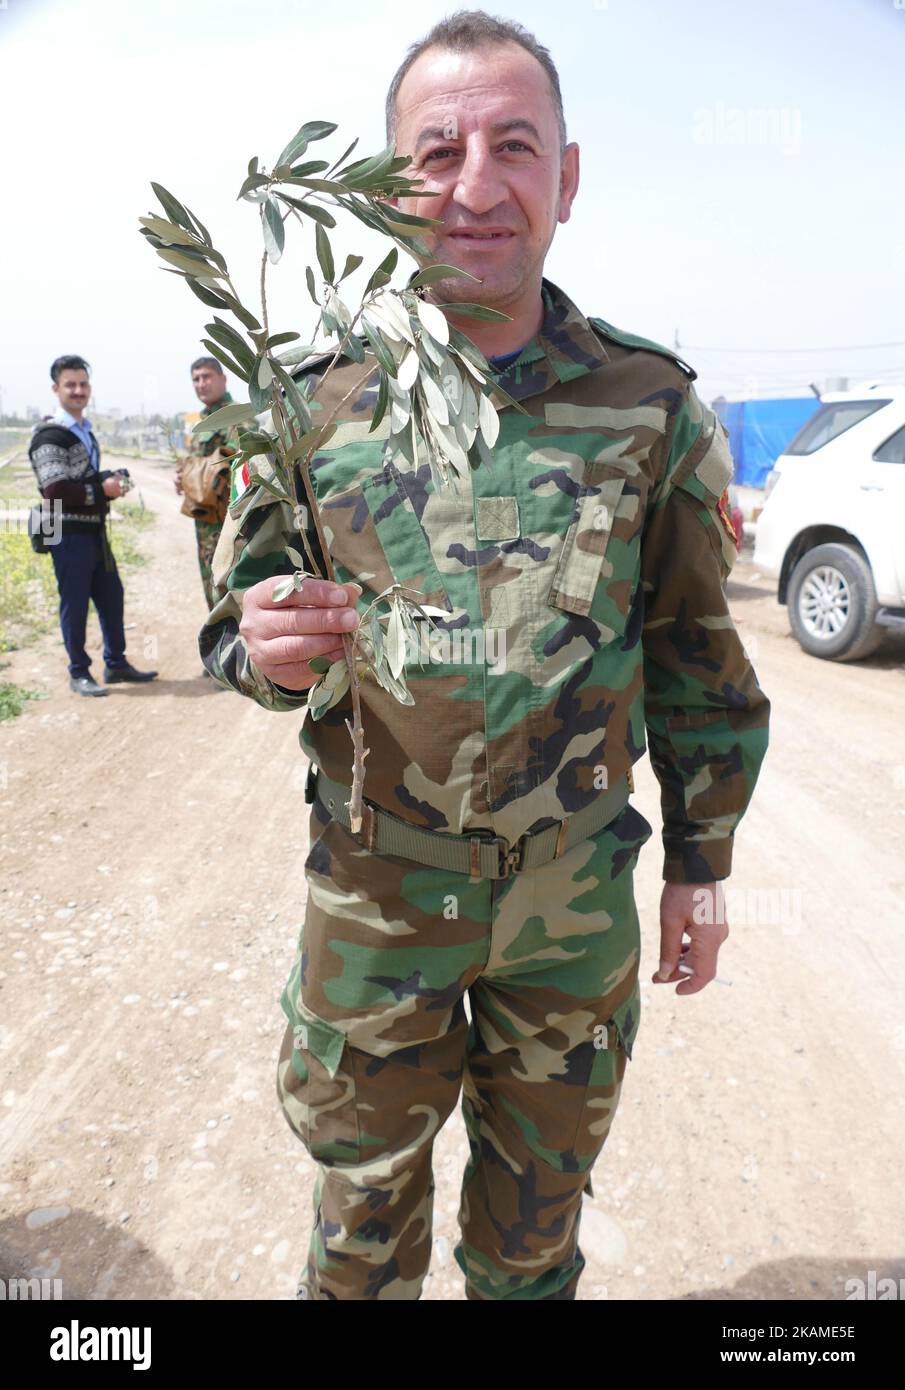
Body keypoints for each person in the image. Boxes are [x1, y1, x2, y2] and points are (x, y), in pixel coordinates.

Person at [200, 11, 771, 1300]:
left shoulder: (648, 404)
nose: (475, 185)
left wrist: (700, 863)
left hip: (568, 913)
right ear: (380, 179)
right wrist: (267, 649)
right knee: (360, 1233)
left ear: (565, 177)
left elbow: (693, 651)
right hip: (378, 906)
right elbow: (233, 624)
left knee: (530, 1244)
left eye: (514, 146)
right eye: (436, 149)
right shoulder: (308, 401)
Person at [28, 355, 158, 696]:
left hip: (95, 532)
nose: (78, 390)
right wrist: (101, 489)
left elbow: (80, 479)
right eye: (70, 384)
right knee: (75, 603)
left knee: (111, 596)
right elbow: (54, 488)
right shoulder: (50, 435)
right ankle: (78, 672)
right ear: (56, 389)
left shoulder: (84, 430)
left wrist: (109, 481)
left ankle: (115, 664)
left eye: (83, 384)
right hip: (66, 535)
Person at [174, 357, 234, 622]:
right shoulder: (203, 423)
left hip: (227, 528)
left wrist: (200, 476)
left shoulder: (236, 418)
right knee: (212, 590)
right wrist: (185, 478)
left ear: (223, 379)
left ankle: (234, 659)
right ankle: (218, 655)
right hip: (206, 525)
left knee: (229, 591)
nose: (201, 384)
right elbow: (202, 467)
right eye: (196, 379)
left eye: (207, 376)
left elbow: (245, 469)